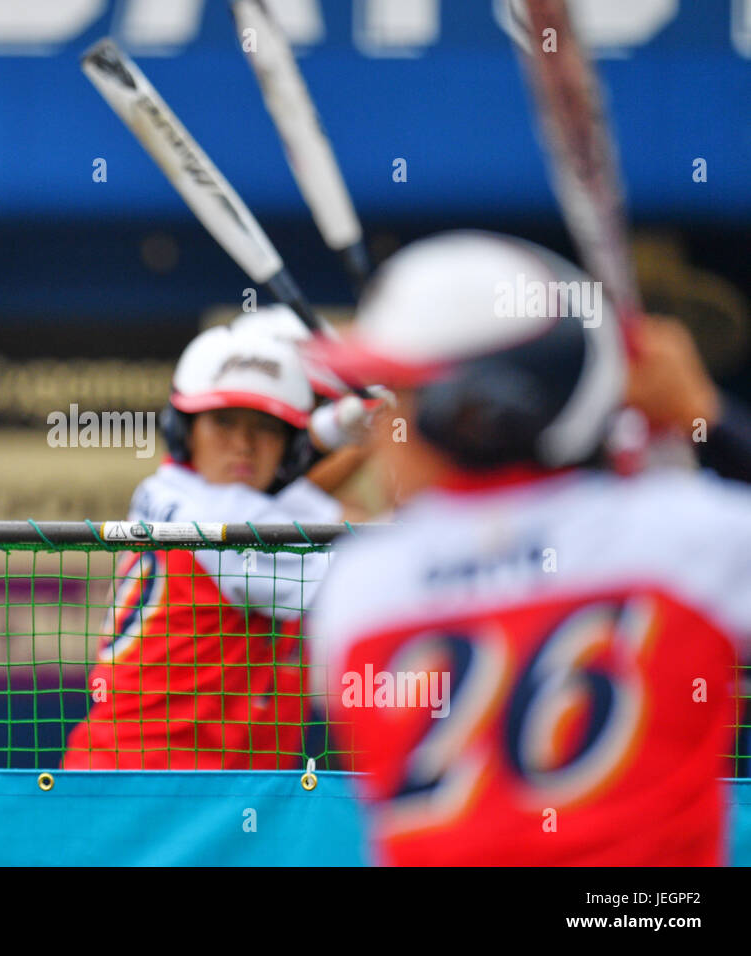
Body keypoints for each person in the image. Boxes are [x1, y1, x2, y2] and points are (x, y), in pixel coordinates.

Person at [305, 231, 749, 865]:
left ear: (474, 409)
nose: (381, 424)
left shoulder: (359, 588)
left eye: (400, 394)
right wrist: (704, 414)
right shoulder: (681, 538)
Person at [62, 321, 357, 770]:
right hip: (164, 784)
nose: (243, 445)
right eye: (223, 421)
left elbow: (298, 498)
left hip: (134, 773)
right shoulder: (232, 520)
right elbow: (374, 572)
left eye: (266, 427)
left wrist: (361, 426)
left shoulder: (168, 485)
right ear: (186, 430)